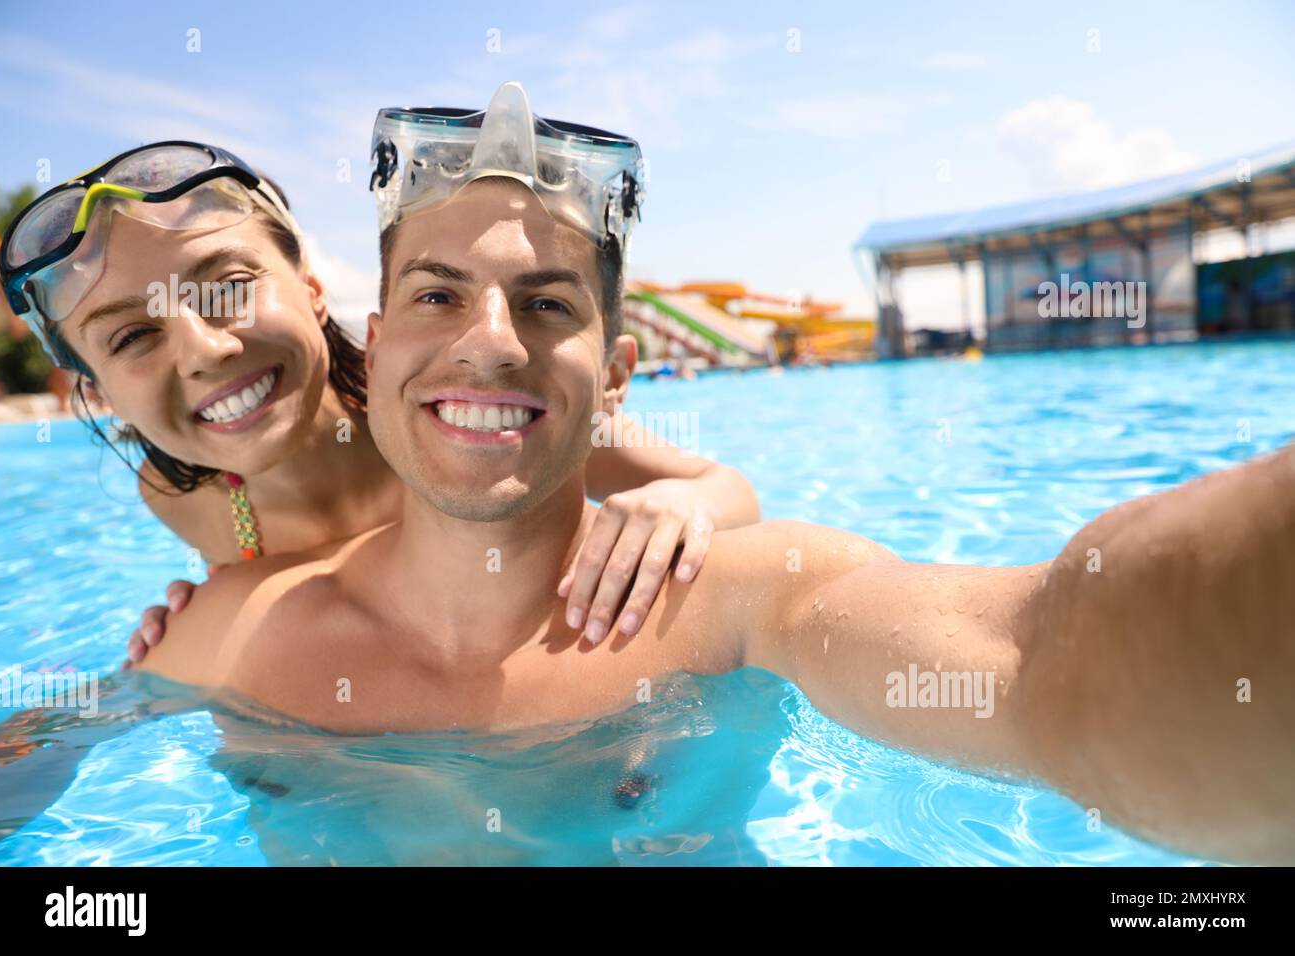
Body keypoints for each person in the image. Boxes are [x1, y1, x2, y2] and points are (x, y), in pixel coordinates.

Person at [138, 84, 1294, 865]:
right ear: (378, 339)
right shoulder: (238, 627)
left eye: (546, 305)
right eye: (438, 295)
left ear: (619, 370)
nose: (489, 340)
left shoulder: (734, 602)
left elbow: (1041, 654)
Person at [0, 138, 760, 660]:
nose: (206, 351)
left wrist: (678, 509)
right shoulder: (173, 491)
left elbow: (723, 488)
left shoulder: (454, 409)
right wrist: (211, 622)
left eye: (228, 290)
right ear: (95, 392)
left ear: (313, 287)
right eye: (132, 337)